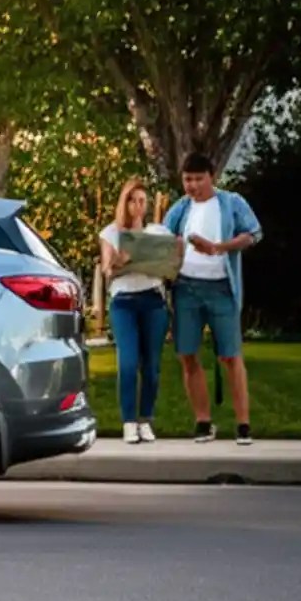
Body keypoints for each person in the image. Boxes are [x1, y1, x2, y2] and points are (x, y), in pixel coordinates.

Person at [162, 152, 264, 445]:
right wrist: (174, 246)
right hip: (186, 290)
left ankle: (243, 424)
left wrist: (218, 248)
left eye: (198, 179)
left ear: (211, 177)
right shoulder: (180, 208)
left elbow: (253, 234)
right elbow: (162, 238)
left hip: (221, 288)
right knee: (187, 355)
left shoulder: (231, 203)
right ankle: (203, 421)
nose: (192, 185)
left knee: (231, 356)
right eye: (187, 180)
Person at [100, 178, 173, 444]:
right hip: (124, 303)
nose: (138, 206)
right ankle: (129, 422)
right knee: (128, 363)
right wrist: (121, 260)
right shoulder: (111, 232)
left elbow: (169, 266)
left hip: (153, 301)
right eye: (133, 200)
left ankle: (146, 420)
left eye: (142, 201)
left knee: (151, 367)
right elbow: (108, 271)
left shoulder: (158, 231)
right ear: (125, 203)